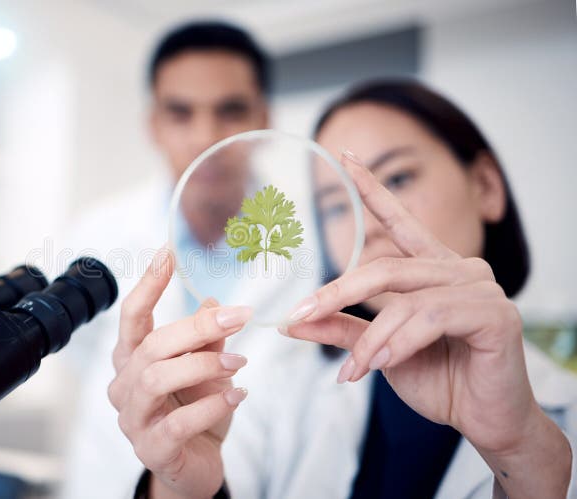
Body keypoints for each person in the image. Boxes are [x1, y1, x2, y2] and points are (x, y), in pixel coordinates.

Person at [109, 80, 577, 498]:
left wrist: (524, 460)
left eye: (396, 178)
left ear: (486, 185)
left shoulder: (562, 416)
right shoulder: (280, 393)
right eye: (337, 205)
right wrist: (180, 488)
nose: (367, 226)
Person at [59, 21, 285, 498]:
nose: (205, 136)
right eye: (181, 113)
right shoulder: (98, 234)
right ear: (154, 125)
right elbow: (80, 354)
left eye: (230, 111)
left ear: (264, 118)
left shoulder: (310, 249)